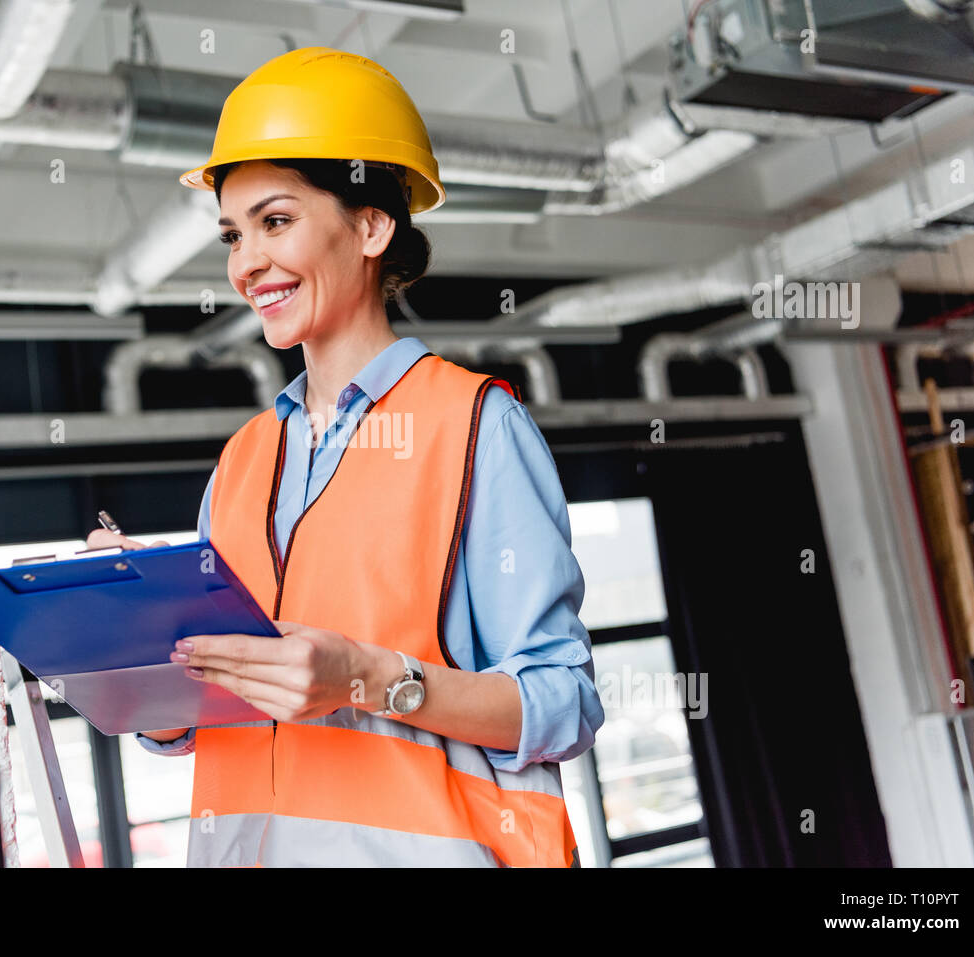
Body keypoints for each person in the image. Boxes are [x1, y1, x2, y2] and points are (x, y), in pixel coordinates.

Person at [88, 46, 603, 867]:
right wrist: (139, 658)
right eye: (233, 233)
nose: (246, 262)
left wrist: (367, 675)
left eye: (277, 221)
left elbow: (563, 704)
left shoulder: (473, 423)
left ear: (371, 224)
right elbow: (196, 718)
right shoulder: (243, 460)